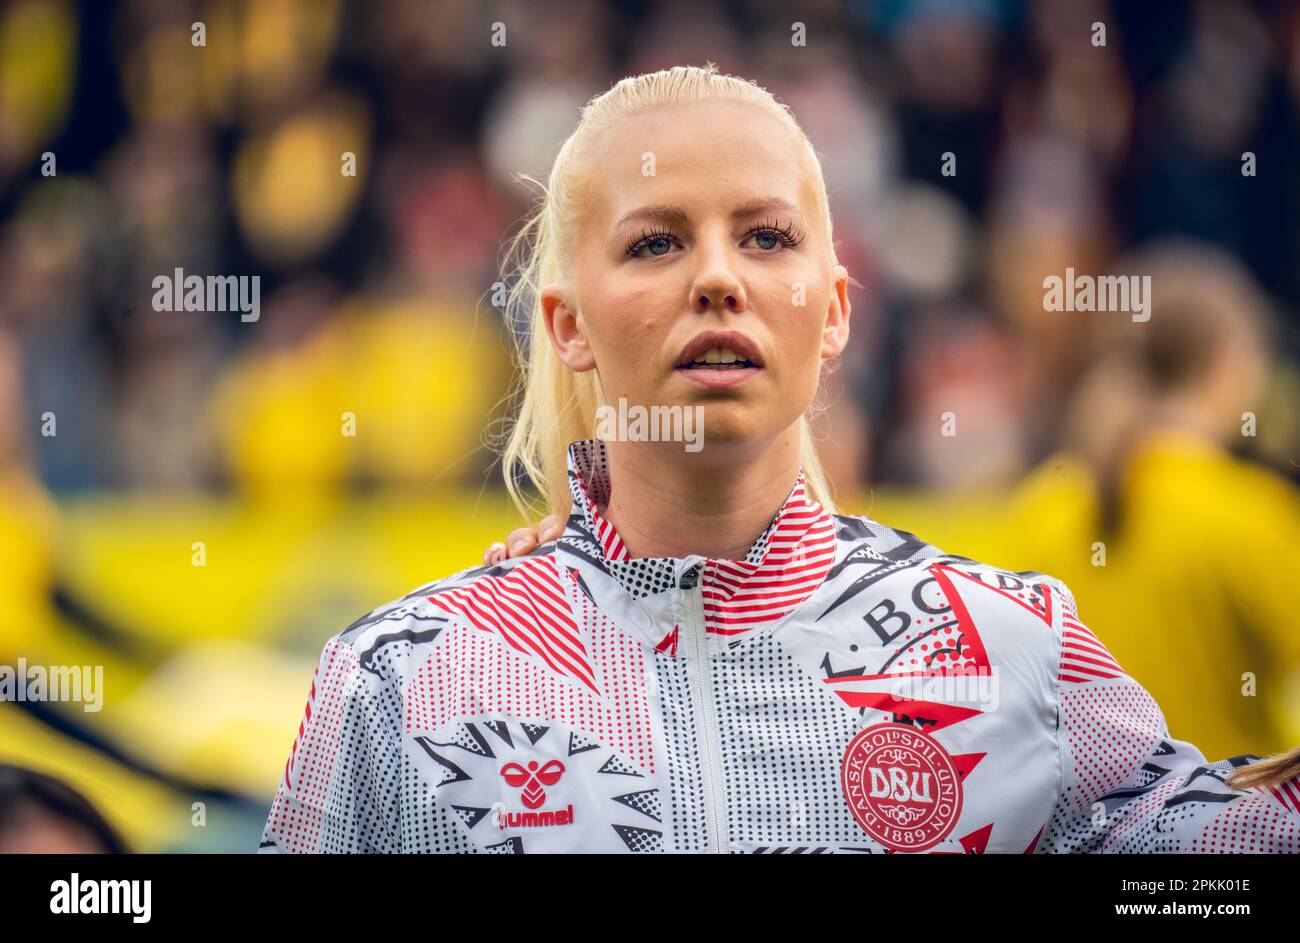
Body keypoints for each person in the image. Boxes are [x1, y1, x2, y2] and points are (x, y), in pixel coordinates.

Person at [259, 64, 1300, 854]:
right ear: (567, 325)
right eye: (655, 243)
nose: (717, 277)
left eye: (765, 237)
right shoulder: (397, 684)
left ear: (835, 310)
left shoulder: (1009, 646)